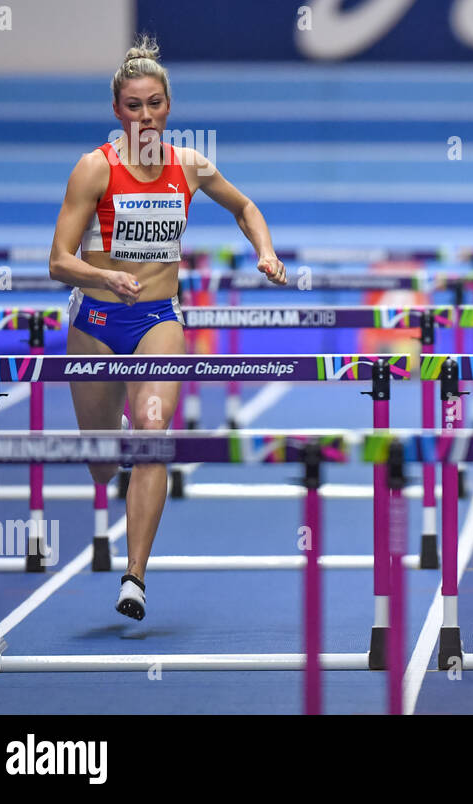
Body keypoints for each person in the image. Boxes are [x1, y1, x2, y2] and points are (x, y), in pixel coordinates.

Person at [48, 36, 287, 621]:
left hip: (158, 318)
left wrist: (266, 251)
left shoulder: (189, 166)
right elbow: (57, 261)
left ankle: (135, 577)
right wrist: (102, 275)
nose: (145, 115)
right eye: (133, 106)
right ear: (116, 111)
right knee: (103, 465)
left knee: (154, 435)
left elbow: (246, 207)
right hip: (97, 322)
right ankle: (116, 452)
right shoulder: (94, 169)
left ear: (169, 106)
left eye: (154, 104)